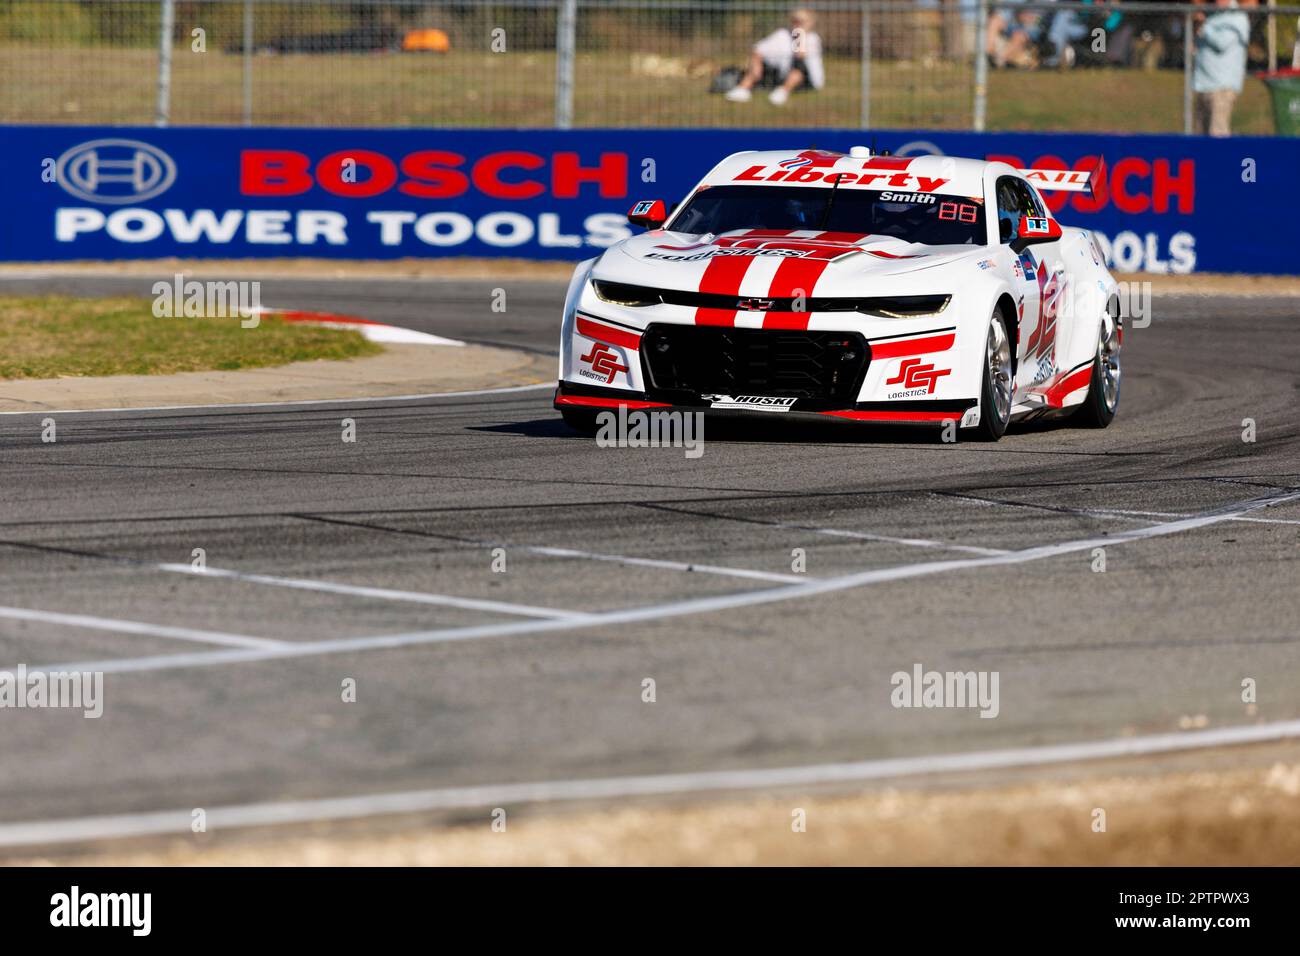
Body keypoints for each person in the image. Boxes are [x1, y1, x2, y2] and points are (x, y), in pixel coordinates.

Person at [725, 8, 826, 105]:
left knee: (799, 65)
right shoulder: (782, 34)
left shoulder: (813, 38)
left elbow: (800, 55)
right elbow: (758, 49)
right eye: (795, 20)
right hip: (780, 74)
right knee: (759, 59)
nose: (797, 24)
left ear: (810, 23)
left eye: (801, 21)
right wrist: (756, 64)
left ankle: (783, 92)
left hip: (806, 79)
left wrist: (799, 34)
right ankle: (743, 89)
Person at [1193, 0, 1251, 136]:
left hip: (1222, 86)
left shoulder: (1237, 17)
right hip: (1203, 83)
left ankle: (1223, 158)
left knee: (1218, 134)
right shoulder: (1213, 15)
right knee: (1199, 136)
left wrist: (1203, 26)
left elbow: (1222, 42)